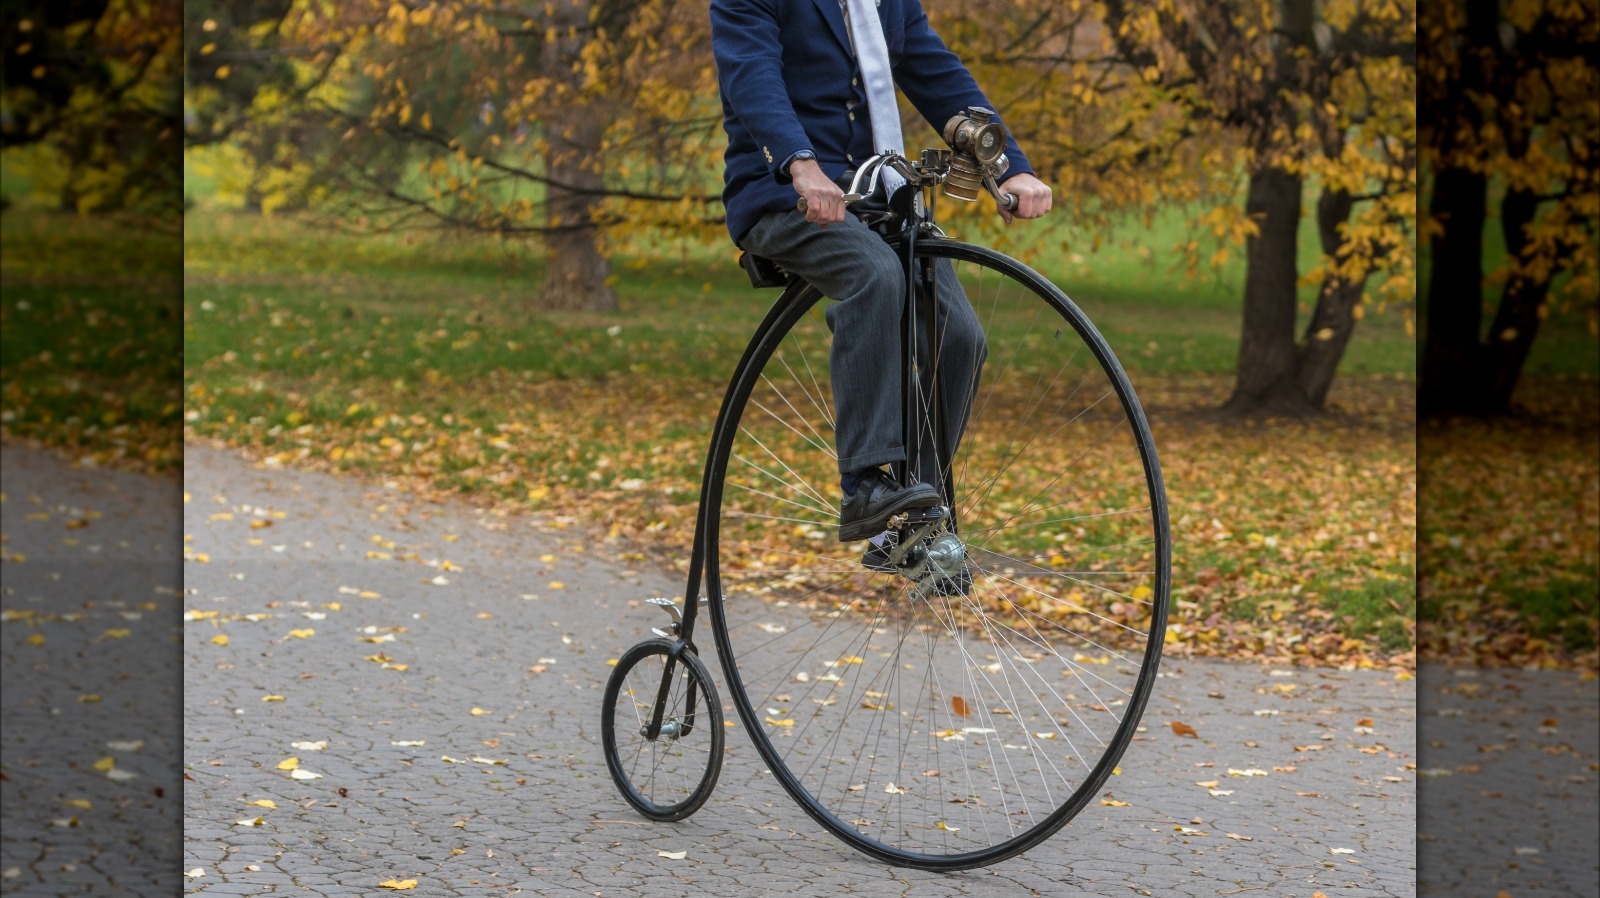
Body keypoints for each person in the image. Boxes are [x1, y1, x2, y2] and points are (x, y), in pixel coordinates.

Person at [710, 0, 1053, 563]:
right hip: (791, 196)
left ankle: (912, 522)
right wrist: (801, 163)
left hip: (879, 200)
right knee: (873, 275)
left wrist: (1008, 163)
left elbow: (936, 72)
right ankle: (866, 487)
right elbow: (751, 74)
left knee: (960, 335)